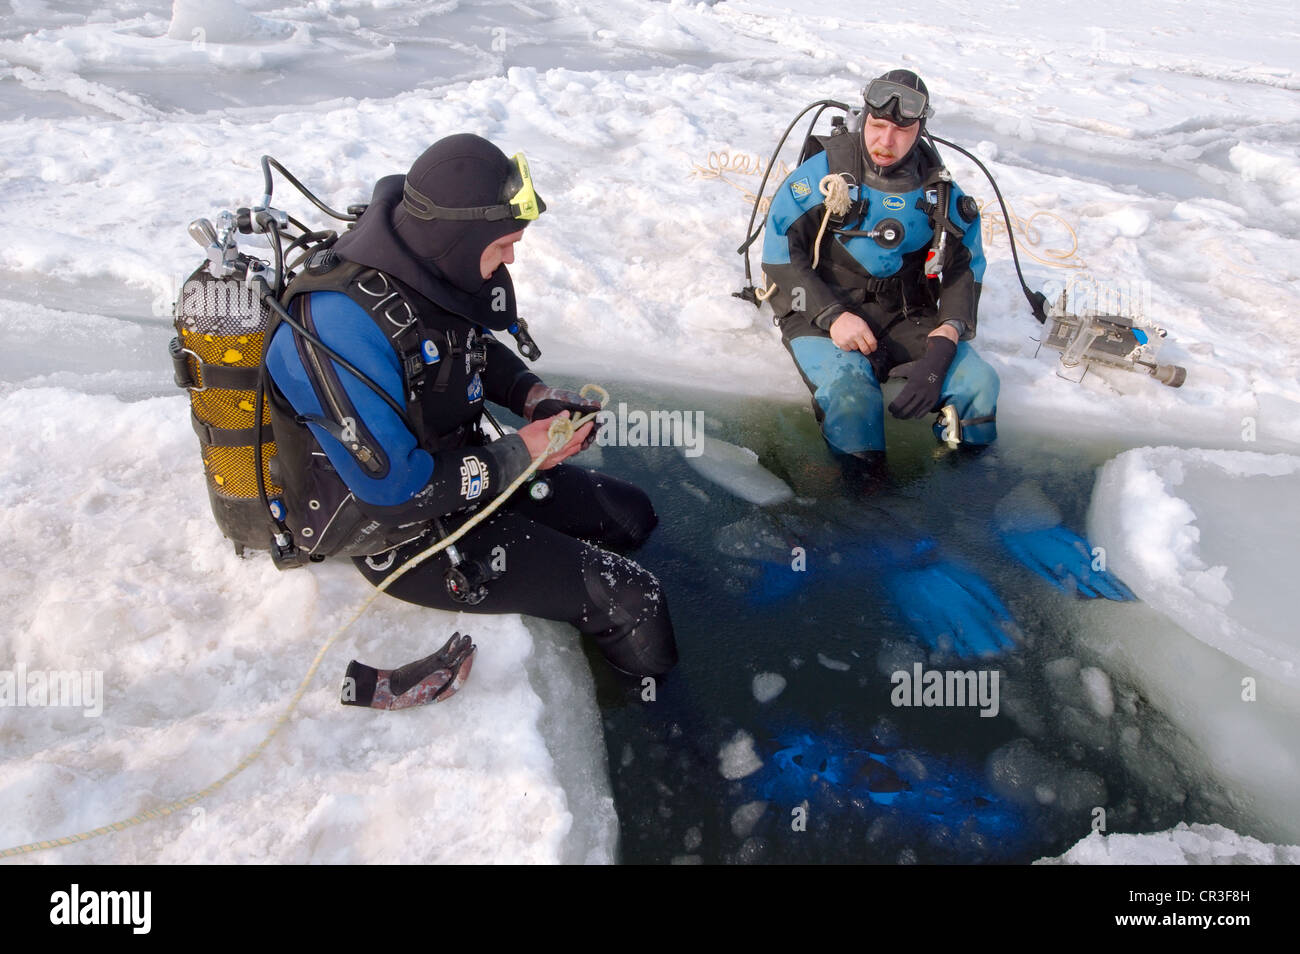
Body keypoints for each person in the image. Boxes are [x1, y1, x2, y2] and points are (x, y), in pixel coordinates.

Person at [263, 133, 678, 682]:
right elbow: (394, 491)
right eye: (503, 245)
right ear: (459, 236)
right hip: (399, 530)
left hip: (462, 468)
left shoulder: (422, 263)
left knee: (632, 514)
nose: (510, 257)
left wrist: (532, 397)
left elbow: (463, 347)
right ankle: (671, 734)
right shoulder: (337, 330)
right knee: (633, 602)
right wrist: (522, 455)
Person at [761, 69, 1000, 468]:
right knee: (852, 399)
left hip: (905, 312)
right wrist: (832, 315)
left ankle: (962, 498)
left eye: (901, 131)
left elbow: (966, 265)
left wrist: (947, 333)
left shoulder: (939, 191)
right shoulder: (824, 175)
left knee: (979, 385)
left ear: (920, 129)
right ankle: (864, 507)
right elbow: (779, 253)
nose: (885, 142)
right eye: (877, 125)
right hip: (823, 309)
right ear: (863, 119)